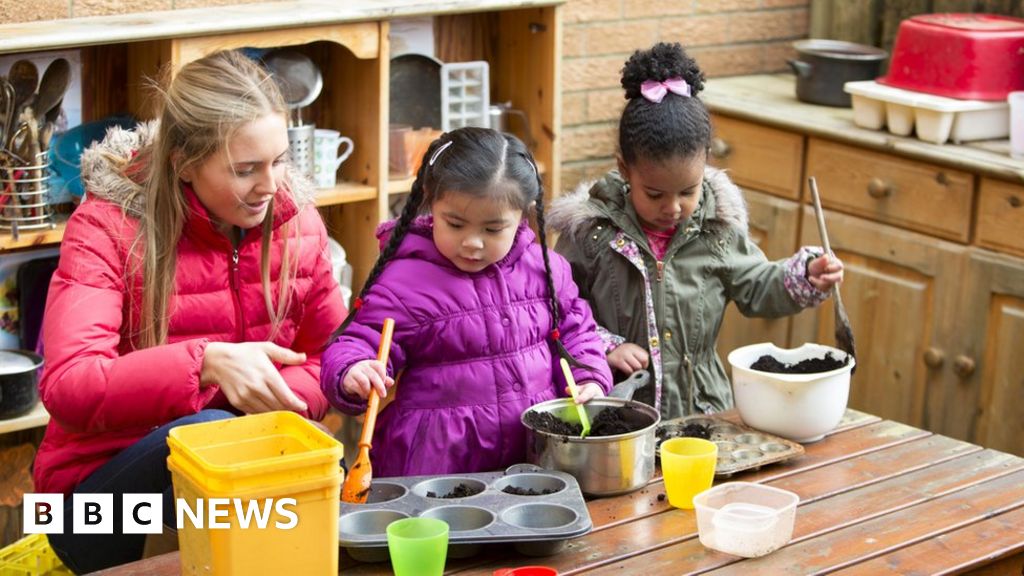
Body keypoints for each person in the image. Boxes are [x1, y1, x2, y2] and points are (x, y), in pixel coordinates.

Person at [34, 50, 346, 573]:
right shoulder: (105, 229)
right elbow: (69, 384)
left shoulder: (298, 223)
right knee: (209, 433)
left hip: (241, 483)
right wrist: (204, 363)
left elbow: (329, 354)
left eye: (280, 160)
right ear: (182, 162)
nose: (271, 186)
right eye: (246, 170)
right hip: (89, 512)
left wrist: (283, 401)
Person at [548, 42, 844, 420]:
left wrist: (806, 274)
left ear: (706, 164)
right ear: (625, 170)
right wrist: (605, 346)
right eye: (654, 194)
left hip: (702, 412)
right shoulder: (591, 235)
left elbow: (758, 283)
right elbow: (557, 308)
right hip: (619, 413)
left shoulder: (716, 231)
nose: (672, 207)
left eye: (688, 191)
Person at [321, 127, 612, 477]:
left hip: (532, 452)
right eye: (455, 224)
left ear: (522, 215)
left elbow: (577, 331)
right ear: (431, 201)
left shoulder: (545, 270)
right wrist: (354, 369)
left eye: (492, 230)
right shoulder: (405, 281)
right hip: (435, 463)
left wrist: (589, 378)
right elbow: (361, 338)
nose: (472, 243)